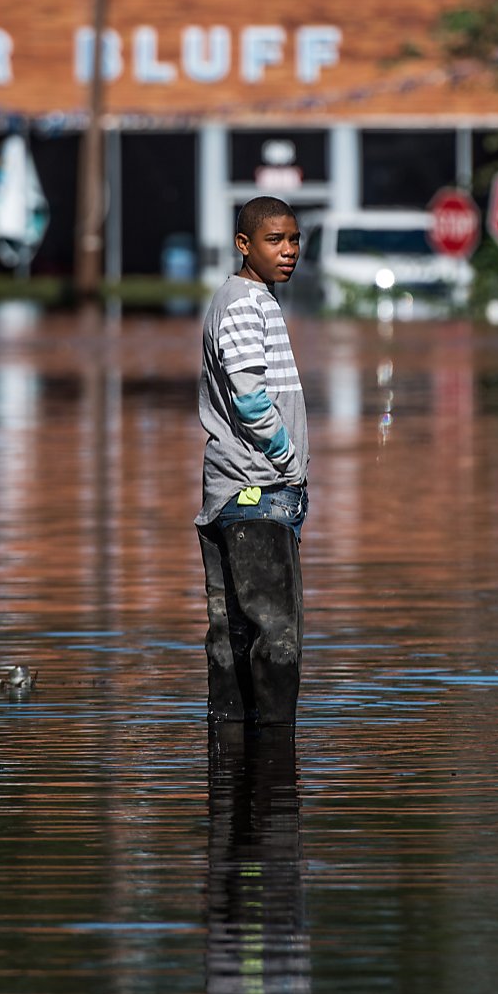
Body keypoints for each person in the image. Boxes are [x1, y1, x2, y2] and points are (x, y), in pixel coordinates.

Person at [196, 196, 308, 727]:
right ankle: (275, 780)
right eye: (274, 240)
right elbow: (249, 397)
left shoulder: (247, 298)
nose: (288, 251)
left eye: (294, 239)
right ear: (244, 245)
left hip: (234, 492)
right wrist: (287, 459)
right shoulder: (245, 303)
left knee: (232, 636)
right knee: (277, 637)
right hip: (256, 491)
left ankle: (233, 772)